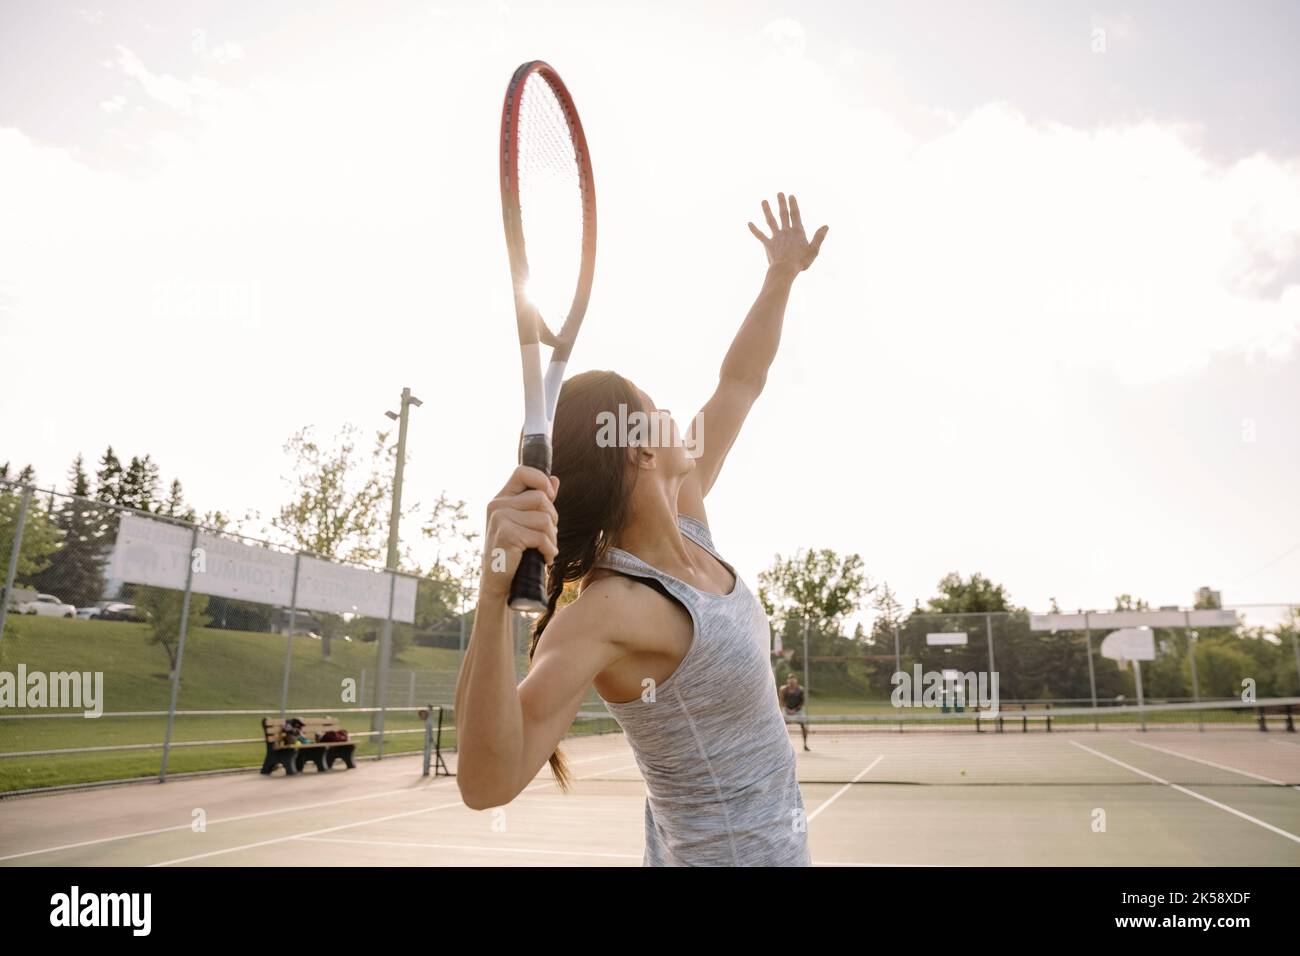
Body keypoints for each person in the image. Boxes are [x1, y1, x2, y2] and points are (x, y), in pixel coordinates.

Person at [455, 193, 828, 866]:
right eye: (657, 408)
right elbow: (486, 782)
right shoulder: (608, 611)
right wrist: (490, 596)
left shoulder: (688, 517)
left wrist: (781, 275)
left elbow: (741, 379)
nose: (675, 414)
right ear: (638, 448)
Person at [779, 674, 810, 751]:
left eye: (793, 682)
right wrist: (787, 709)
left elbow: (802, 702)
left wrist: (795, 710)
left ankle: (805, 744)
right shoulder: (783, 689)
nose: (792, 684)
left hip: (797, 710)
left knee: (804, 724)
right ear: (788, 682)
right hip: (787, 710)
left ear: (796, 682)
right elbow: (781, 701)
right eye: (790, 682)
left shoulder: (800, 689)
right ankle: (782, 744)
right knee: (780, 725)